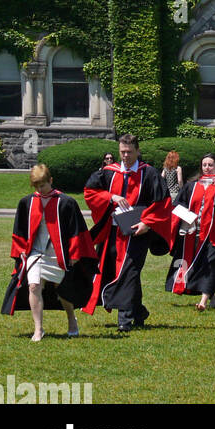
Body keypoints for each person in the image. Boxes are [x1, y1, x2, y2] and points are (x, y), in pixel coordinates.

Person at [83, 133, 174, 333]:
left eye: (129, 152)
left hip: (139, 232)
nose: (125, 156)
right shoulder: (108, 172)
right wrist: (110, 196)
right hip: (113, 231)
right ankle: (139, 311)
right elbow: (90, 192)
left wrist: (148, 224)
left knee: (129, 271)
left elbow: (163, 203)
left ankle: (124, 319)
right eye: (122, 152)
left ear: (138, 151)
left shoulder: (148, 174)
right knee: (119, 272)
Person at [2, 164, 97, 340]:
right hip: (35, 253)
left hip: (59, 254)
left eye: (43, 185)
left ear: (51, 181)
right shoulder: (27, 202)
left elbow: (77, 230)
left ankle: (71, 319)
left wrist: (74, 255)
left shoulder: (66, 202)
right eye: (37, 186)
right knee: (34, 285)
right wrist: (21, 250)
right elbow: (20, 230)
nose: (40, 190)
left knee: (63, 290)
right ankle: (38, 329)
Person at [165, 153, 215, 311]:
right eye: (204, 165)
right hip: (192, 233)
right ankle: (210, 293)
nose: (207, 168)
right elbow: (178, 205)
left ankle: (203, 301)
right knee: (199, 264)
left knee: (211, 264)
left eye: (210, 165)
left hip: (214, 234)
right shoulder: (191, 186)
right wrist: (187, 219)